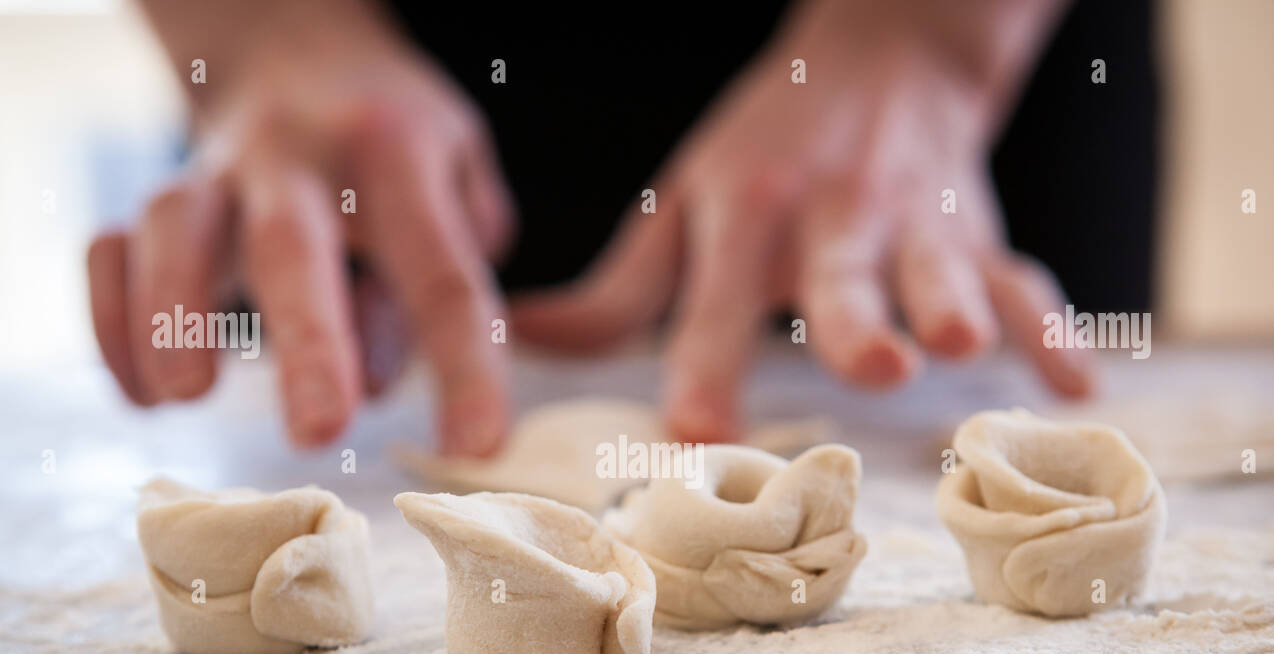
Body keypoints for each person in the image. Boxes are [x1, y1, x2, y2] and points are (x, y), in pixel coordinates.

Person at [88, 0, 1139, 456]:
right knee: (344, 434)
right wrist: (249, 34)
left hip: (925, 95)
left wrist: (935, 47)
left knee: (972, 434)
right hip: (347, 88)